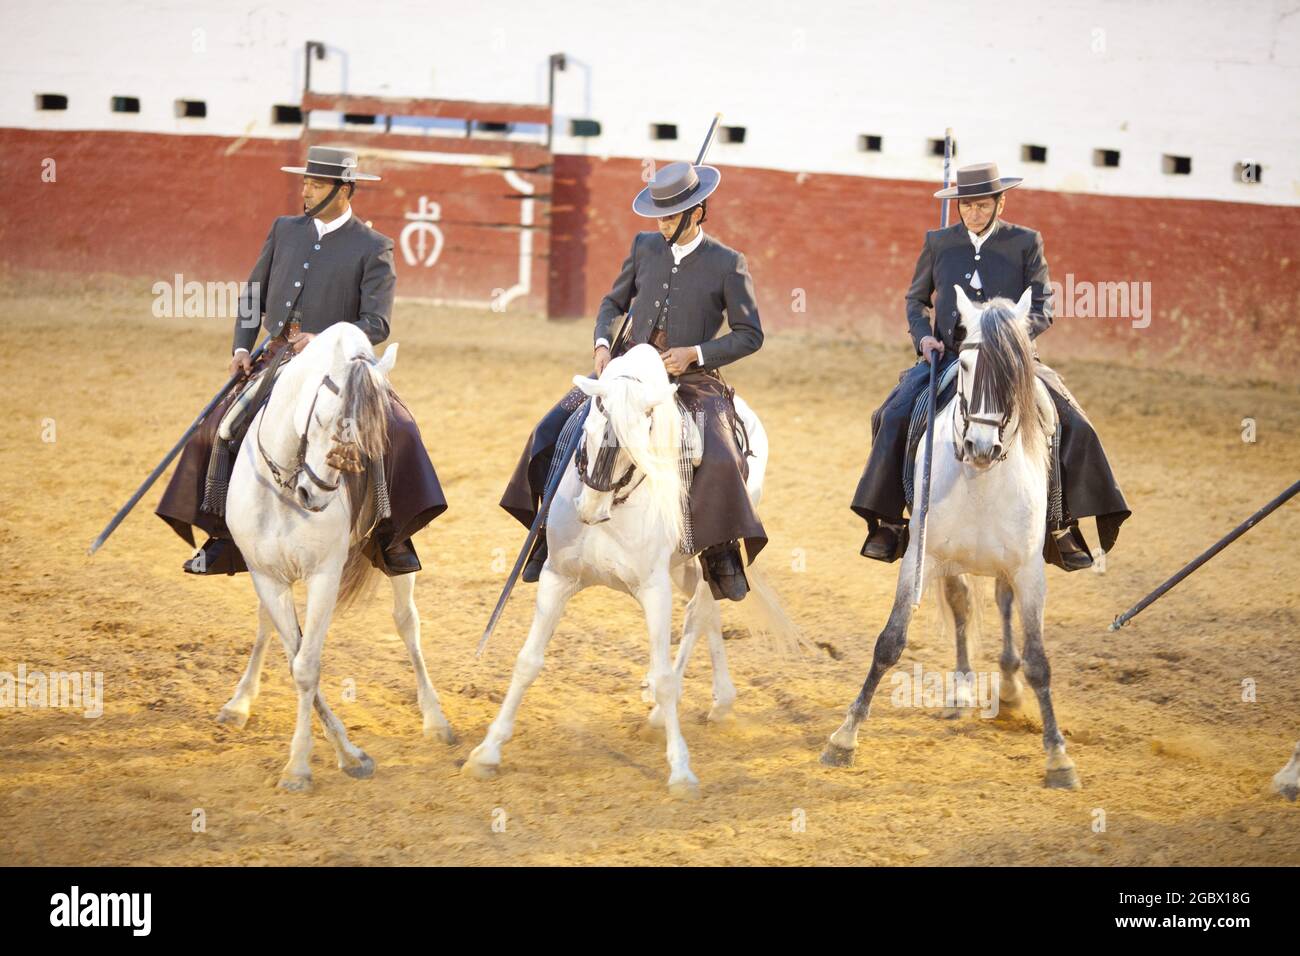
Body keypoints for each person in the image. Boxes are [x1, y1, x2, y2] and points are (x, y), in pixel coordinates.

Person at [156, 146, 446, 576]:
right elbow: (254, 294)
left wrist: (323, 338)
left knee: (398, 427)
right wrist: (240, 347)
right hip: (276, 357)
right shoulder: (285, 230)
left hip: (339, 364)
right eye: (306, 182)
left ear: (344, 190)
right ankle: (223, 537)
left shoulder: (373, 246)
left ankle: (390, 536)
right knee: (219, 427)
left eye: (316, 184)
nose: (305, 190)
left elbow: (377, 323)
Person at [499, 160, 766, 600]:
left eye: (670, 215)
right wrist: (603, 343)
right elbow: (612, 301)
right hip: (624, 366)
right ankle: (545, 528)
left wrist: (695, 353)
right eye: (658, 215)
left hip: (691, 379)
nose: (661, 224)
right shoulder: (644, 246)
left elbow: (750, 335)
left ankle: (718, 551)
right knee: (550, 429)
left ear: (697, 212)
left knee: (719, 453)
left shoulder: (727, 263)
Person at [851, 161, 1129, 570]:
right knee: (890, 415)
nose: (973, 214)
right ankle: (891, 522)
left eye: (982, 205)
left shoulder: (1026, 242)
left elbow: (1044, 307)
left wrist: (1014, 338)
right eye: (967, 206)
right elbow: (915, 300)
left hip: (1011, 358)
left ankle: (1059, 523)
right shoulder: (938, 242)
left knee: (1072, 423)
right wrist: (922, 337)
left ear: (1001, 202)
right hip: (947, 355)